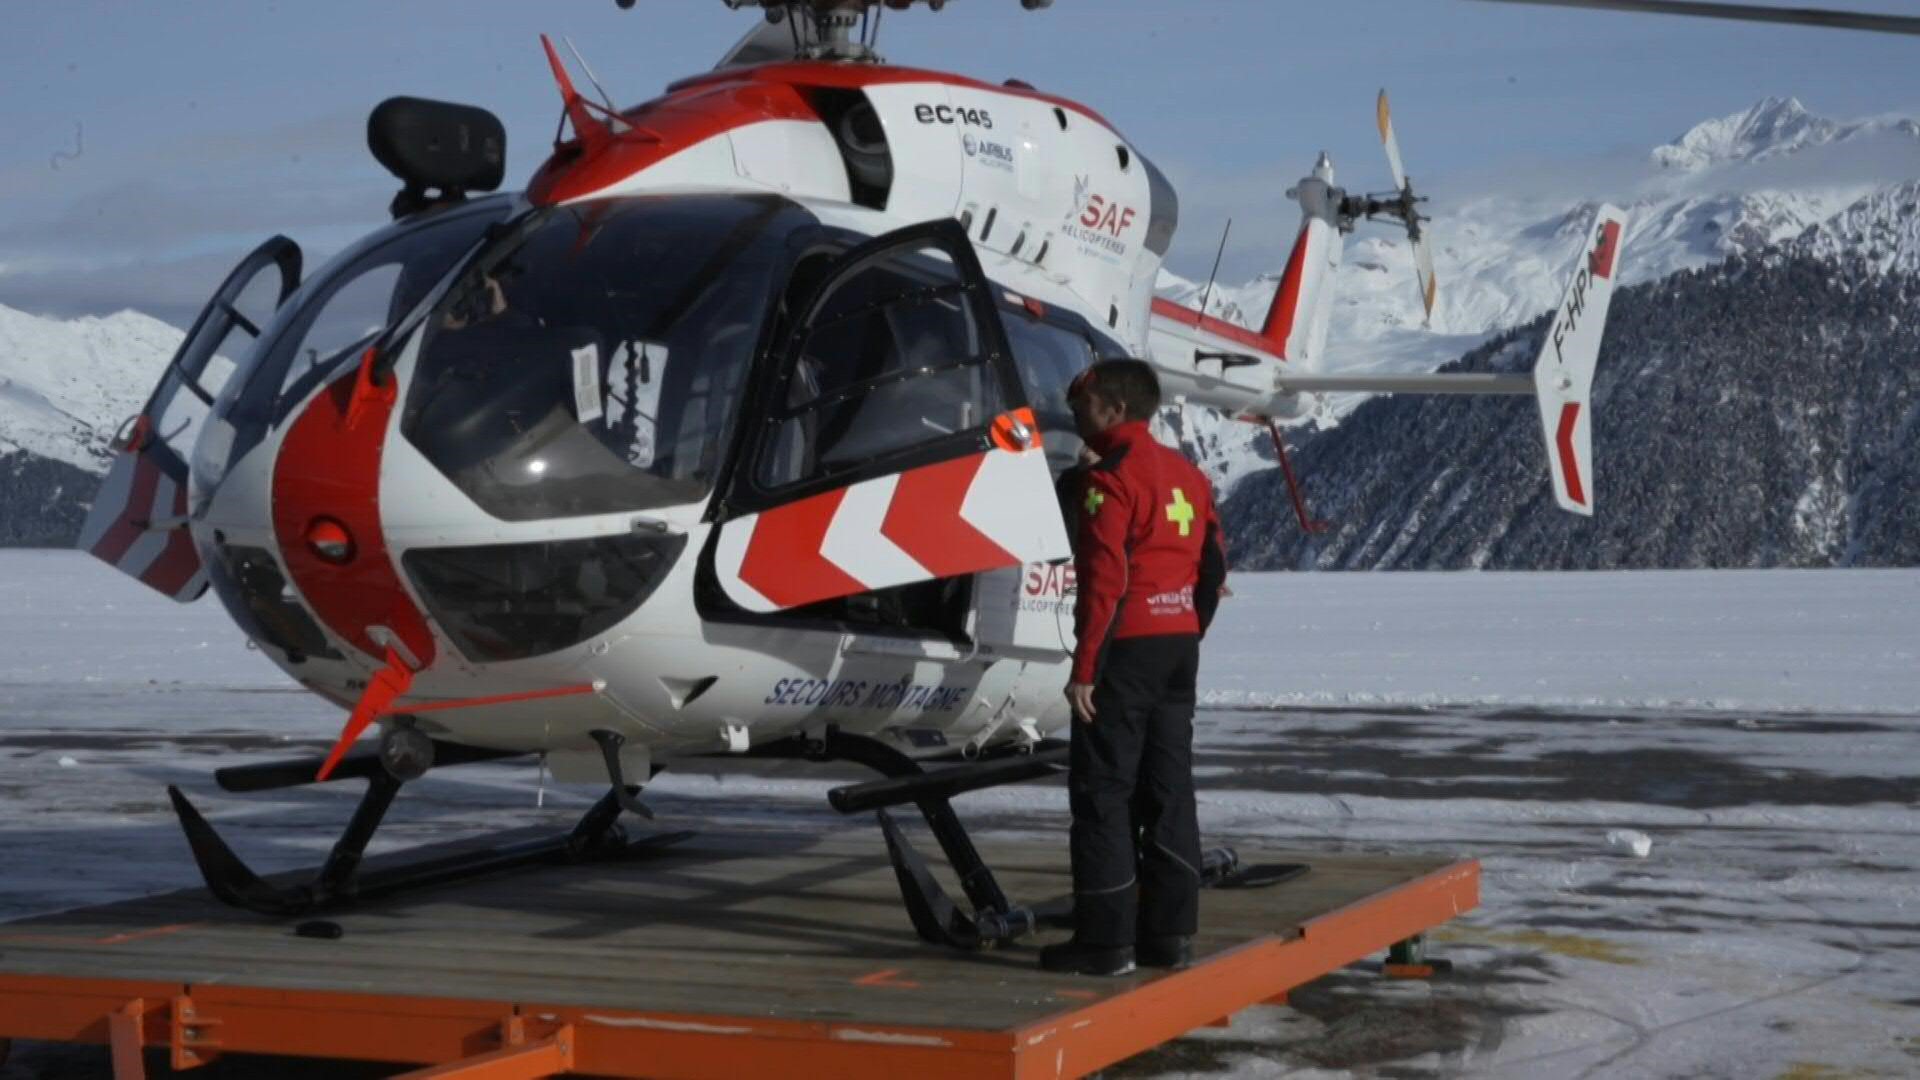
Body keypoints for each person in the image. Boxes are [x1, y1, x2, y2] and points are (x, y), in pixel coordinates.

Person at [1040, 359, 1228, 977]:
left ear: (1114, 410)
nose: (1076, 414)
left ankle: (1105, 941)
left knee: (1104, 793)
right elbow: (1213, 566)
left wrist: (1085, 667)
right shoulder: (1188, 475)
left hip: (1126, 647)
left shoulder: (1111, 480)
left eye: (1084, 406)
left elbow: (1104, 580)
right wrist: (1187, 628)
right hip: (1177, 646)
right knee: (1169, 789)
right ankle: (1170, 934)